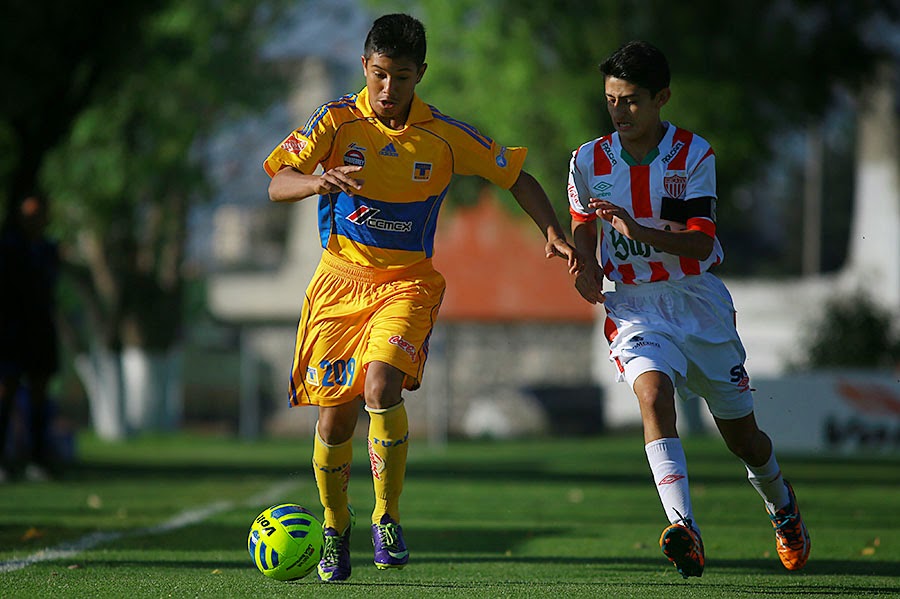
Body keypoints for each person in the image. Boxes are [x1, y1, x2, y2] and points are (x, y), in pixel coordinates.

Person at [263, 13, 580, 583]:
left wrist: (551, 231)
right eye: (380, 75)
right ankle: (335, 529)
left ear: (420, 75)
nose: (388, 90)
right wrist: (317, 180)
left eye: (402, 78)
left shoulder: (445, 136)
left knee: (381, 385)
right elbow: (276, 180)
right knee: (335, 421)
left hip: (407, 284)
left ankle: (388, 518)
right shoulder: (335, 121)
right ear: (365, 66)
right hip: (338, 287)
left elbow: (515, 176)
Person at [567, 41, 810, 578]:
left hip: (696, 301)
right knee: (652, 395)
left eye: (631, 101)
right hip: (633, 305)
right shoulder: (588, 160)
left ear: (661, 99)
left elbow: (701, 245)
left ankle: (782, 506)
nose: (618, 112)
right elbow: (583, 221)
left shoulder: (692, 156)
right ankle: (685, 529)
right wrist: (583, 262)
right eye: (611, 99)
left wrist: (639, 231)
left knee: (742, 439)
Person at [0, 194, 60, 483]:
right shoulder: (8, 248)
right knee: (5, 396)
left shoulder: (49, 250)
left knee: (40, 398)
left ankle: (37, 461)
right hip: (11, 332)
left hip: (40, 332)